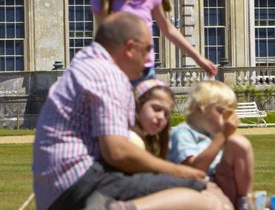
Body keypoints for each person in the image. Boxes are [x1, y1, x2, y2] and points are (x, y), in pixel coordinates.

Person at [32, 12, 230, 210]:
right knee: (206, 197)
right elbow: (117, 153)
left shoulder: (85, 64)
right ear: (129, 48)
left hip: (59, 192)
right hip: (80, 187)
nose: (148, 60)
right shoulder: (108, 74)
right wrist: (178, 172)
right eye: (147, 50)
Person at [168, 80, 256, 210]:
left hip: (219, 183)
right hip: (197, 188)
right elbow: (194, 171)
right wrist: (222, 136)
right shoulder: (183, 132)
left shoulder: (211, 135)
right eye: (221, 111)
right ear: (199, 108)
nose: (225, 118)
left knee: (239, 143)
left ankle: (245, 202)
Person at [131, 79, 176, 158]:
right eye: (156, 109)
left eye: (166, 114)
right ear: (138, 105)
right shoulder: (132, 140)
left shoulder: (152, 145)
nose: (161, 117)